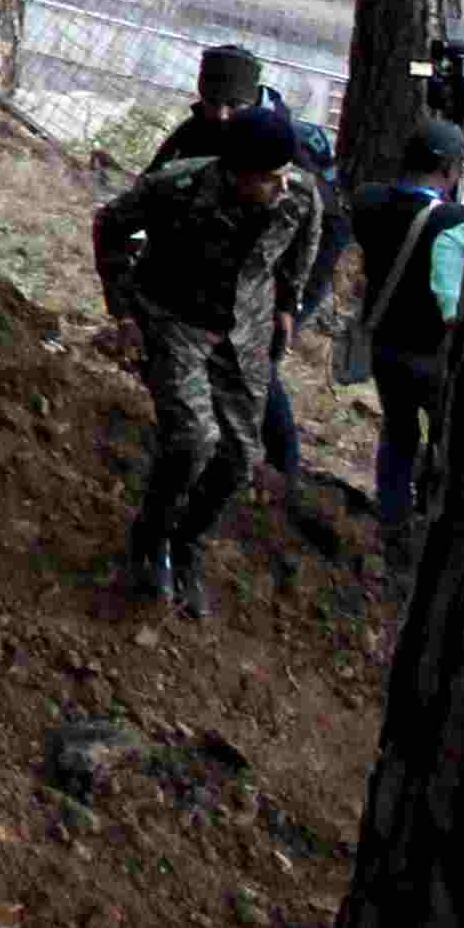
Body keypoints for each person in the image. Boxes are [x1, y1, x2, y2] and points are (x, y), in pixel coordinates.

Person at [91, 110, 330, 619]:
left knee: (240, 458)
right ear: (236, 172)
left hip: (244, 332)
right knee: (193, 439)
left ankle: (188, 544)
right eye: (267, 178)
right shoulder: (177, 187)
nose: (280, 186)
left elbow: (303, 243)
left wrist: (287, 304)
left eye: (283, 174)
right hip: (174, 319)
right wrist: (123, 313)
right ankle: (151, 540)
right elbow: (109, 226)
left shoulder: (298, 192)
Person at [152, 51, 340, 480]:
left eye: (232, 105)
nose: (220, 115)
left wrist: (288, 302)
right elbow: (156, 188)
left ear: (252, 99)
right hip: (226, 268)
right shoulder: (194, 133)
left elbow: (320, 230)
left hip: (291, 266)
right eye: (211, 103)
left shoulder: (281, 143)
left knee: (255, 362)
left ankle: (282, 470)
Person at [343, 116, 464, 559]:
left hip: (383, 344)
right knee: (447, 440)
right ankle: (432, 524)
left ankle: (392, 523)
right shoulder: (455, 222)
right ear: (449, 169)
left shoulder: (368, 201)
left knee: (398, 433)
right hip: (434, 354)